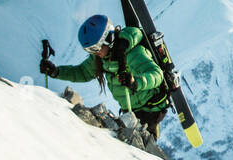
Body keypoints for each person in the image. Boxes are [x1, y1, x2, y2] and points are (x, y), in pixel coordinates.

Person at [41, 14, 170, 138]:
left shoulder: (133, 54)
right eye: (90, 50)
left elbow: (156, 75)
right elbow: (82, 72)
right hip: (130, 111)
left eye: (96, 47)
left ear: (108, 39)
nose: (95, 52)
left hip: (151, 110)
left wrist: (135, 82)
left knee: (144, 147)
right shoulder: (102, 58)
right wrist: (56, 72)